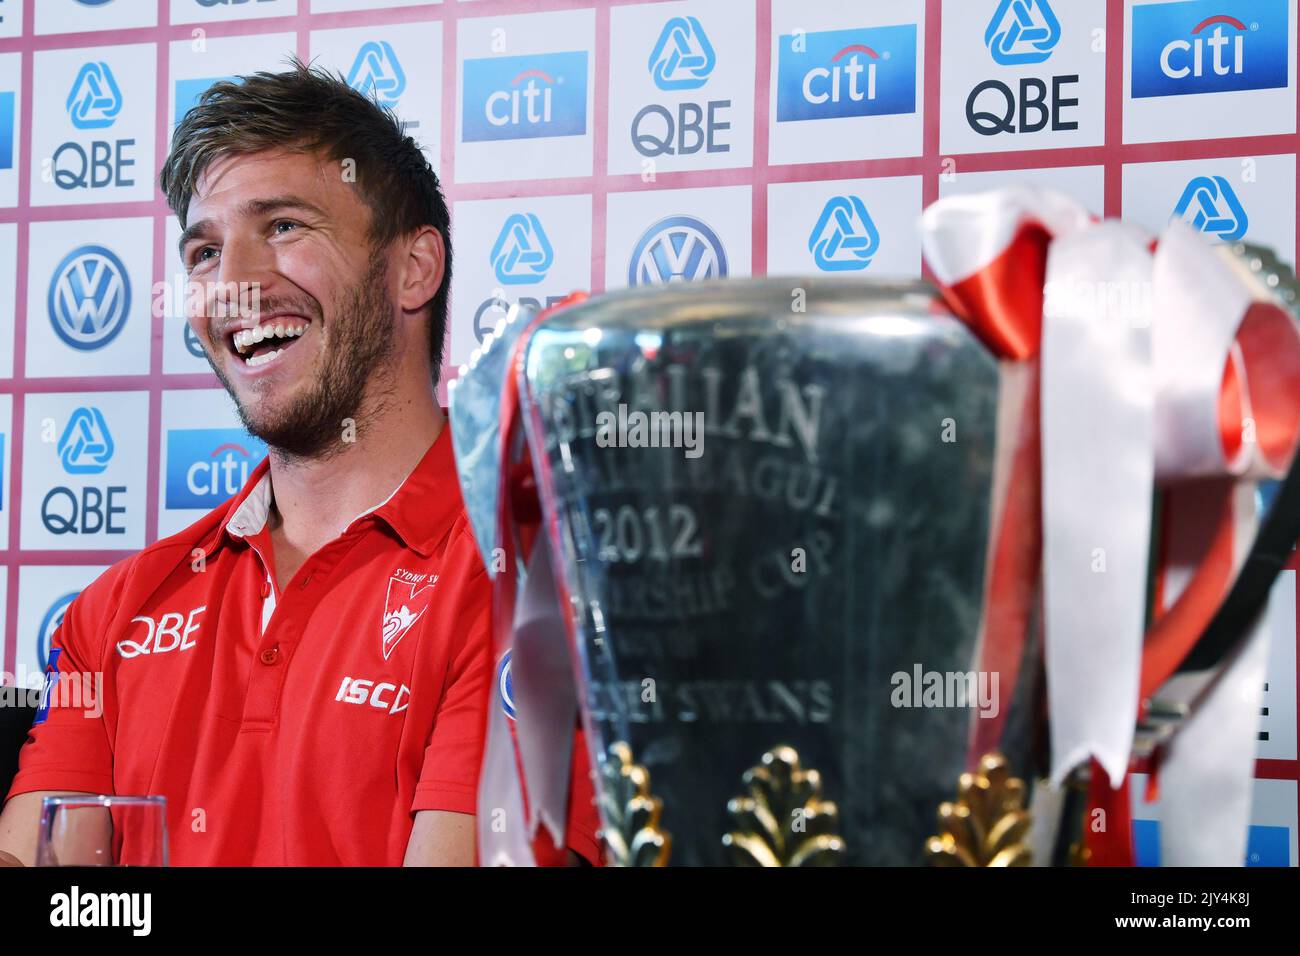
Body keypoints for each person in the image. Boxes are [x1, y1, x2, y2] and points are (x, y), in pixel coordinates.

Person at [0, 61, 597, 866]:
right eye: (205, 251)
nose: (234, 286)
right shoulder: (108, 617)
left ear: (413, 268)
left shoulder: (532, 581)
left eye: (282, 226)